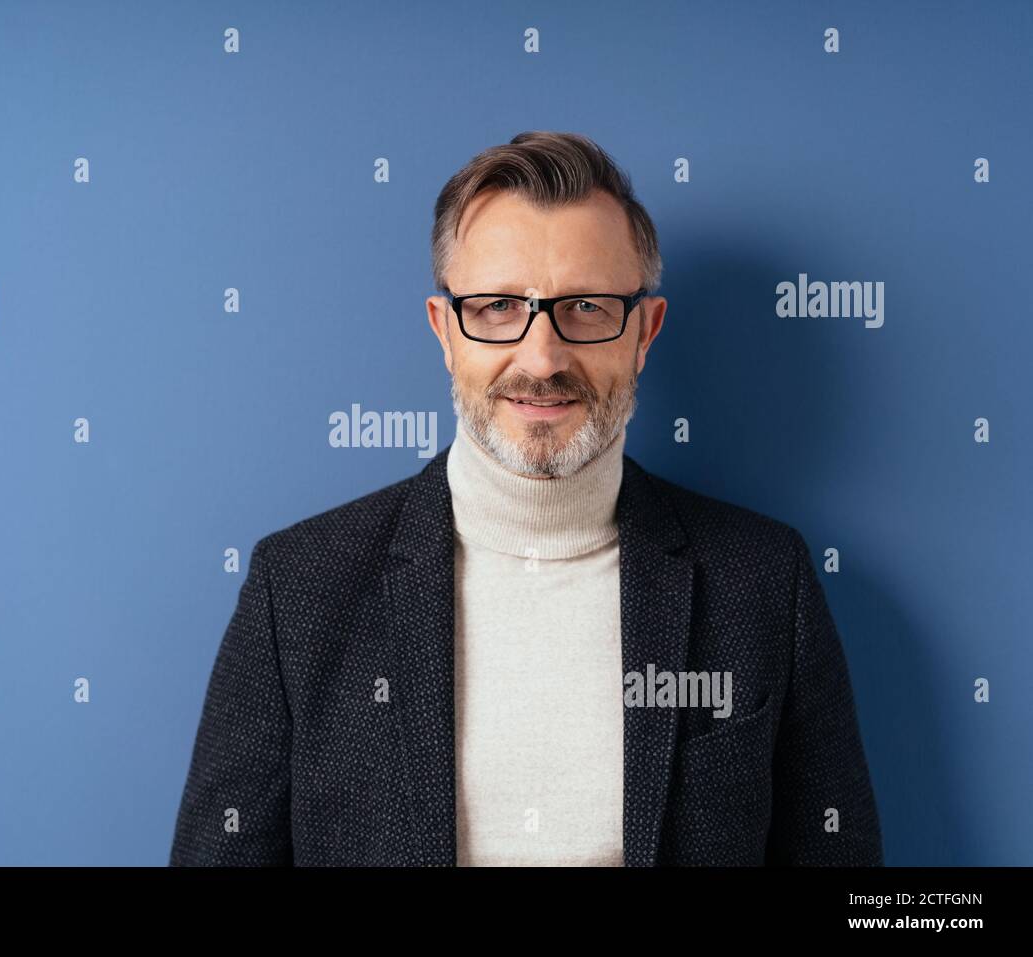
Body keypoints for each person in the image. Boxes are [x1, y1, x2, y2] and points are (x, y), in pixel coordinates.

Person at [170, 131, 883, 866]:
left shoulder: (766, 584)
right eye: (499, 307)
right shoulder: (298, 591)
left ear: (644, 331)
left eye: (585, 305)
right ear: (446, 331)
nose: (542, 358)